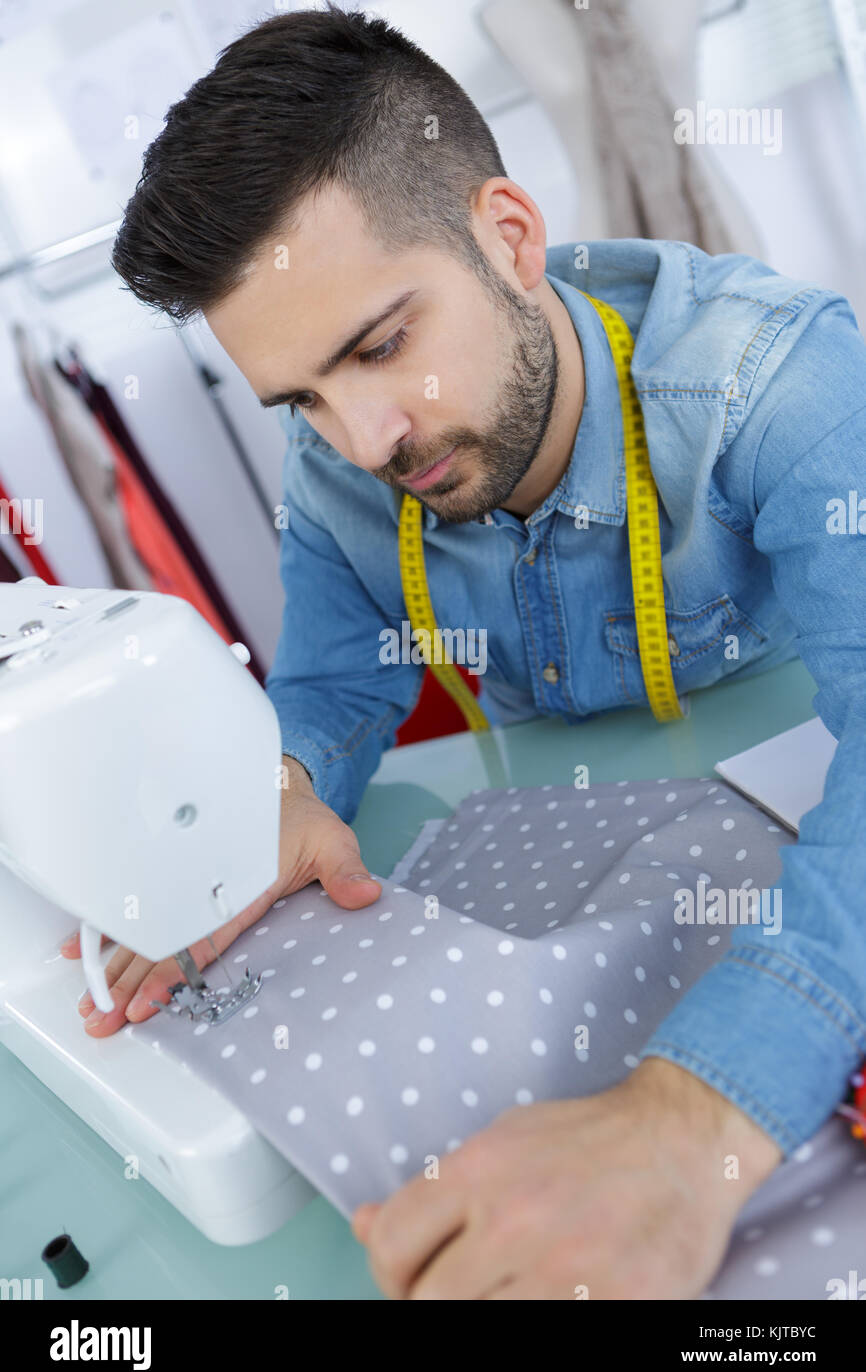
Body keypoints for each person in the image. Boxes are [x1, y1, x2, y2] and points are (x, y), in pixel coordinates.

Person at [64, 5, 866, 1298]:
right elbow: (336, 679)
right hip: (573, 840)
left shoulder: (778, 381)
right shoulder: (339, 458)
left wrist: (693, 1120)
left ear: (508, 236)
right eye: (303, 397)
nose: (364, 434)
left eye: (380, 345)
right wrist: (280, 792)